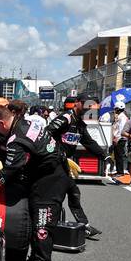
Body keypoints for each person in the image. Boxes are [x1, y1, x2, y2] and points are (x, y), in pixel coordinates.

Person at [0, 102, 67, 261]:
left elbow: (11, 168)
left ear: (2, 123)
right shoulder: (27, 122)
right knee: (36, 220)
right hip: (54, 172)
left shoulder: (15, 138)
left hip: (50, 181)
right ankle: (35, 260)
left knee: (42, 224)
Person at [45, 95, 106, 239]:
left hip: (65, 164)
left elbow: (89, 142)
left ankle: (84, 226)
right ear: (77, 104)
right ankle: (50, 227)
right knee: (57, 197)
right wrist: (59, 155)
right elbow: (47, 134)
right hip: (53, 163)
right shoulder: (65, 118)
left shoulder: (80, 124)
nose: (88, 109)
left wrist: (105, 156)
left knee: (74, 193)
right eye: (86, 105)